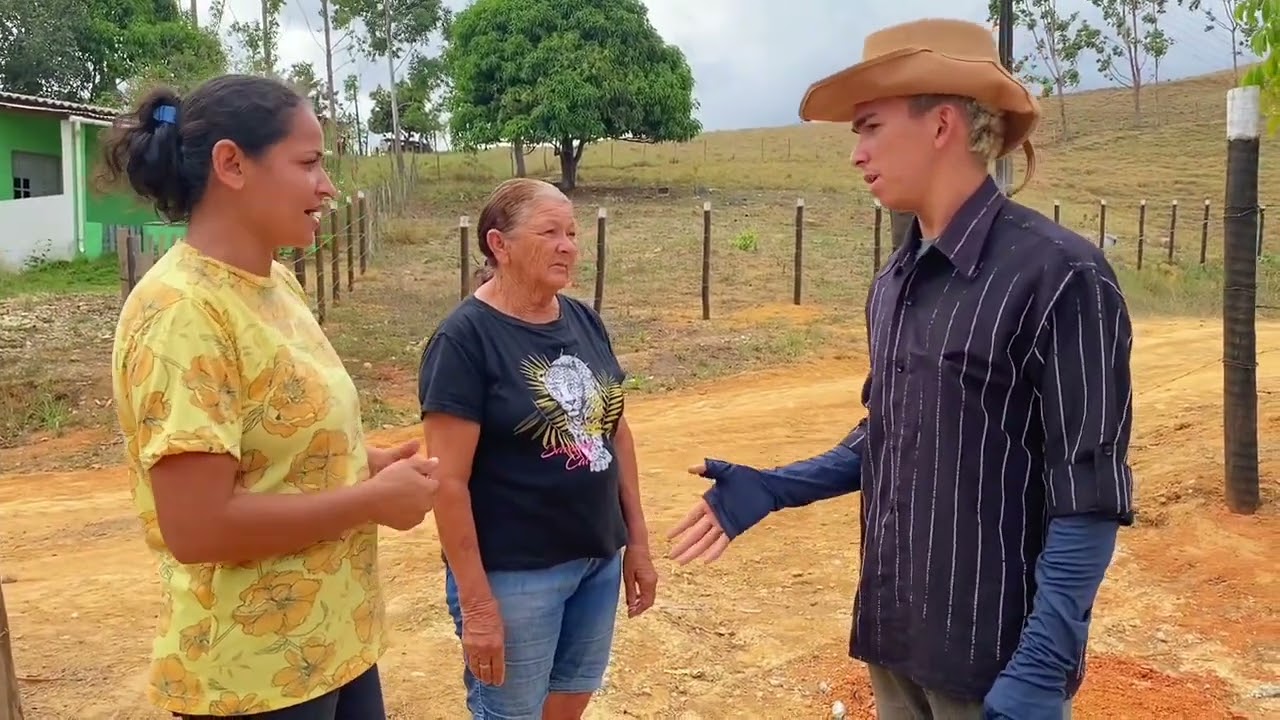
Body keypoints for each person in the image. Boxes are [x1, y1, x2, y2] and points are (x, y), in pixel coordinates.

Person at [667, 18, 1134, 720]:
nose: (856, 154)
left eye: (871, 127)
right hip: (897, 641)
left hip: (994, 665)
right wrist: (774, 488)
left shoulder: (1061, 276)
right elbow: (891, 428)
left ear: (942, 123)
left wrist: (1042, 664)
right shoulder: (895, 280)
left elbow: (1089, 490)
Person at [106, 73, 439, 719]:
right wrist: (367, 502)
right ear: (232, 164)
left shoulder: (276, 284)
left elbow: (266, 452)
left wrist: (361, 464)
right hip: (251, 679)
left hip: (331, 646)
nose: (328, 185)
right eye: (309, 162)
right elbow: (198, 527)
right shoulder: (182, 312)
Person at [419, 177, 658, 720]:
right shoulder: (464, 340)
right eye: (550, 231)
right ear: (498, 245)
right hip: (515, 577)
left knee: (570, 700)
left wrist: (637, 543)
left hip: (596, 558)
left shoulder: (583, 320)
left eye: (572, 233)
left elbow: (614, 431)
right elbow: (447, 481)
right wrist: (478, 605)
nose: (569, 246)